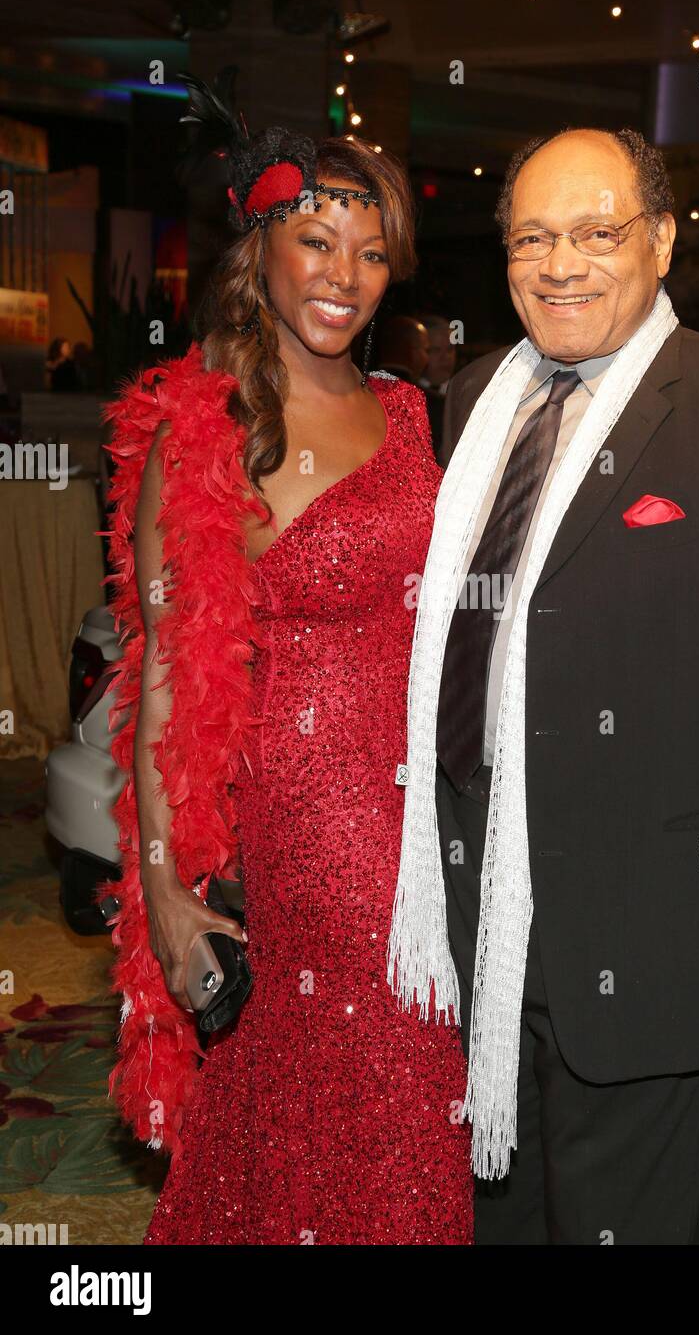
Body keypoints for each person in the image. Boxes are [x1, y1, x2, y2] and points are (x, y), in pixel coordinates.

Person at [388, 127, 699, 1245]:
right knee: (498, 1211)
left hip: (653, 911)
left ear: (664, 238)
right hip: (481, 889)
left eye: (597, 233)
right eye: (532, 238)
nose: (561, 265)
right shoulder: (478, 396)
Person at [101, 71, 471, 1245]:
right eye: (315, 240)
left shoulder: (411, 413)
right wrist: (164, 888)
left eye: (369, 254)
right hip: (306, 834)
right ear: (260, 244)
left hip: (424, 815)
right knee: (382, 1089)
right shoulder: (204, 422)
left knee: (389, 1104)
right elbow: (164, 673)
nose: (342, 277)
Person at [418, 313, 457, 463]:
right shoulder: (408, 397)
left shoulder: (465, 392)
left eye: (450, 349)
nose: (445, 357)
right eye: (435, 350)